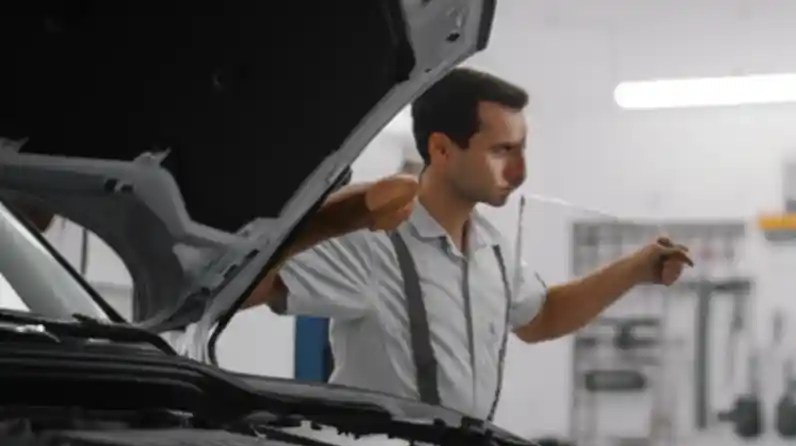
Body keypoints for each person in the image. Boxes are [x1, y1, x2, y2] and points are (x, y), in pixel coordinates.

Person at [243, 68, 692, 419]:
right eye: (501, 152)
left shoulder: (491, 251)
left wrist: (638, 268)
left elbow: (543, 316)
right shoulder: (372, 239)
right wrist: (339, 214)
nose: (520, 174)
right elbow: (244, 287)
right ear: (440, 150)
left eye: (521, 150)